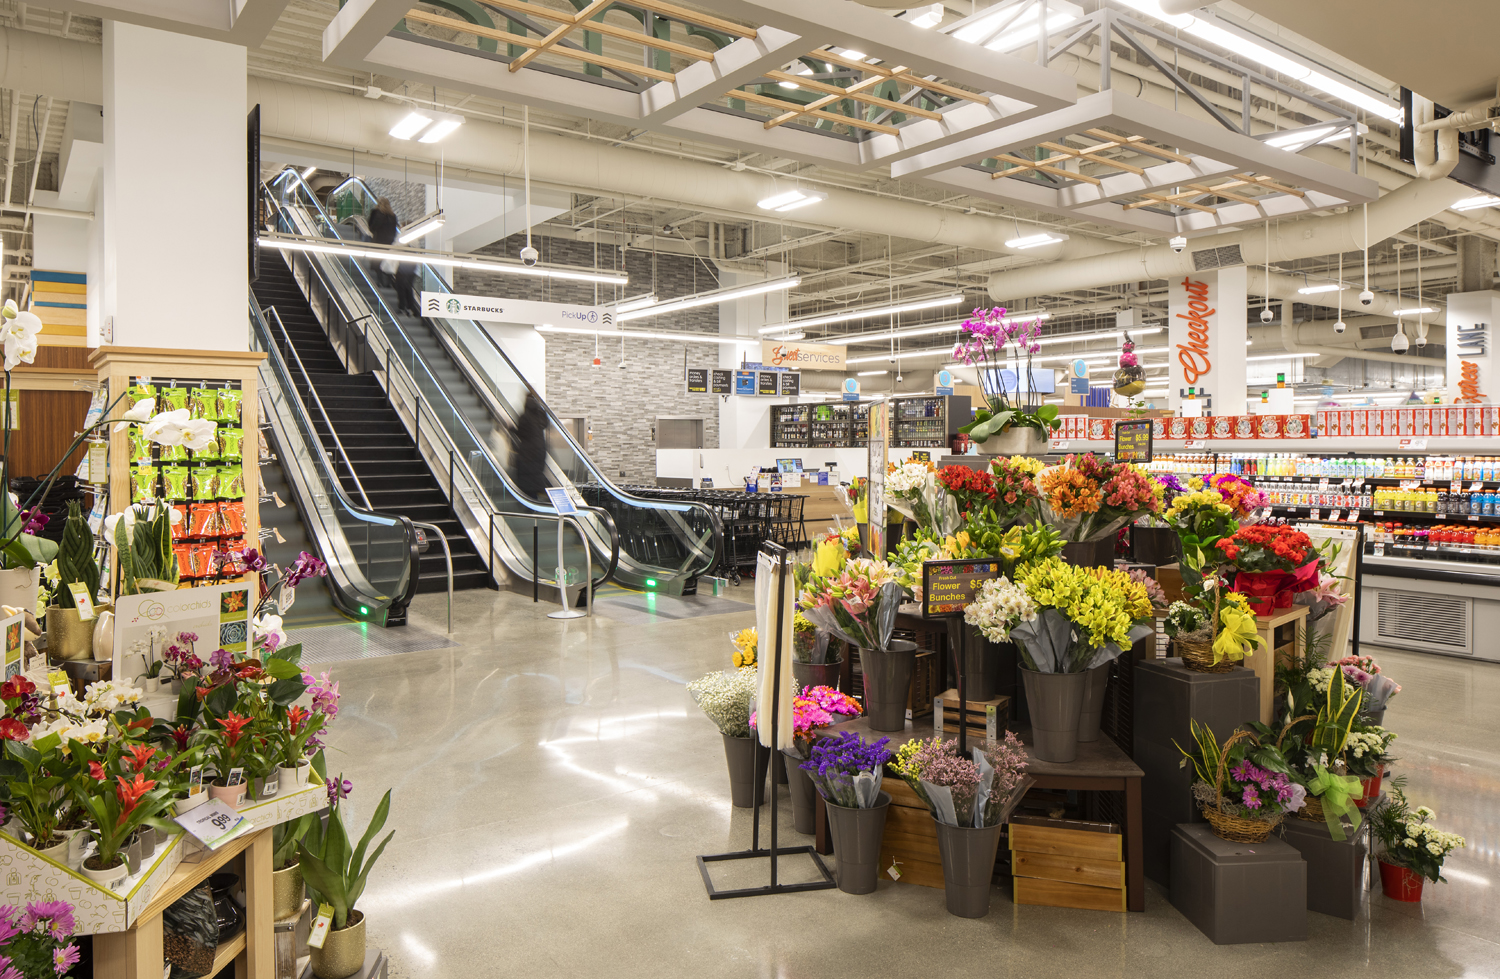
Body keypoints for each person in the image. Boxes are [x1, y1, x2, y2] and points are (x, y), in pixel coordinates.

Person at [509, 392, 550, 502]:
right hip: (541, 451)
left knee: (526, 480)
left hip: (527, 453)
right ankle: (535, 501)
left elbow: (521, 433)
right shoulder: (540, 416)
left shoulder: (525, 417)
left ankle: (529, 504)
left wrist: (510, 428)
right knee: (535, 477)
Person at [368, 198, 398, 286]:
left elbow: (372, 227)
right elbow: (394, 231)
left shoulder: (376, 213)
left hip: (378, 241)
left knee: (377, 262)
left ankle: (380, 281)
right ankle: (388, 283)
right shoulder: (393, 216)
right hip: (389, 243)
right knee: (387, 262)